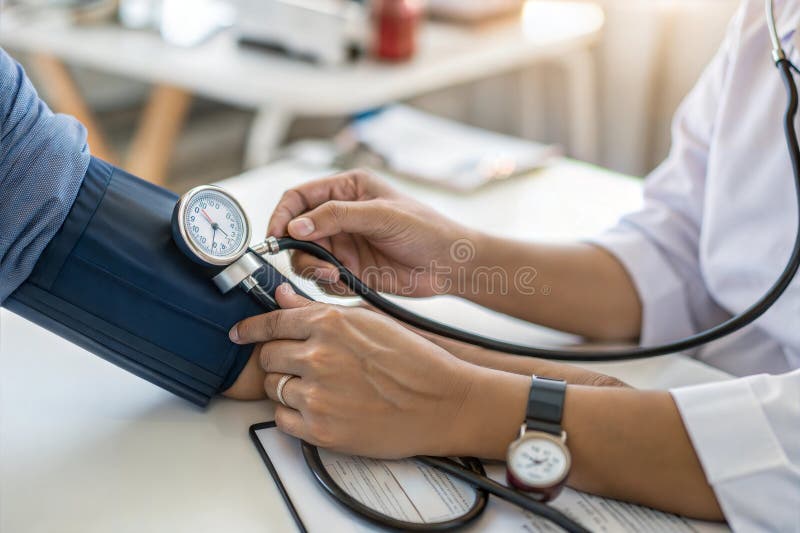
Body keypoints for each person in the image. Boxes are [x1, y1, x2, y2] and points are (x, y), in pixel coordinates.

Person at [227, 1, 800, 529]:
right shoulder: (771, 17)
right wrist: (460, 259)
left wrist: (460, 407)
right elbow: (681, 251)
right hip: (698, 391)